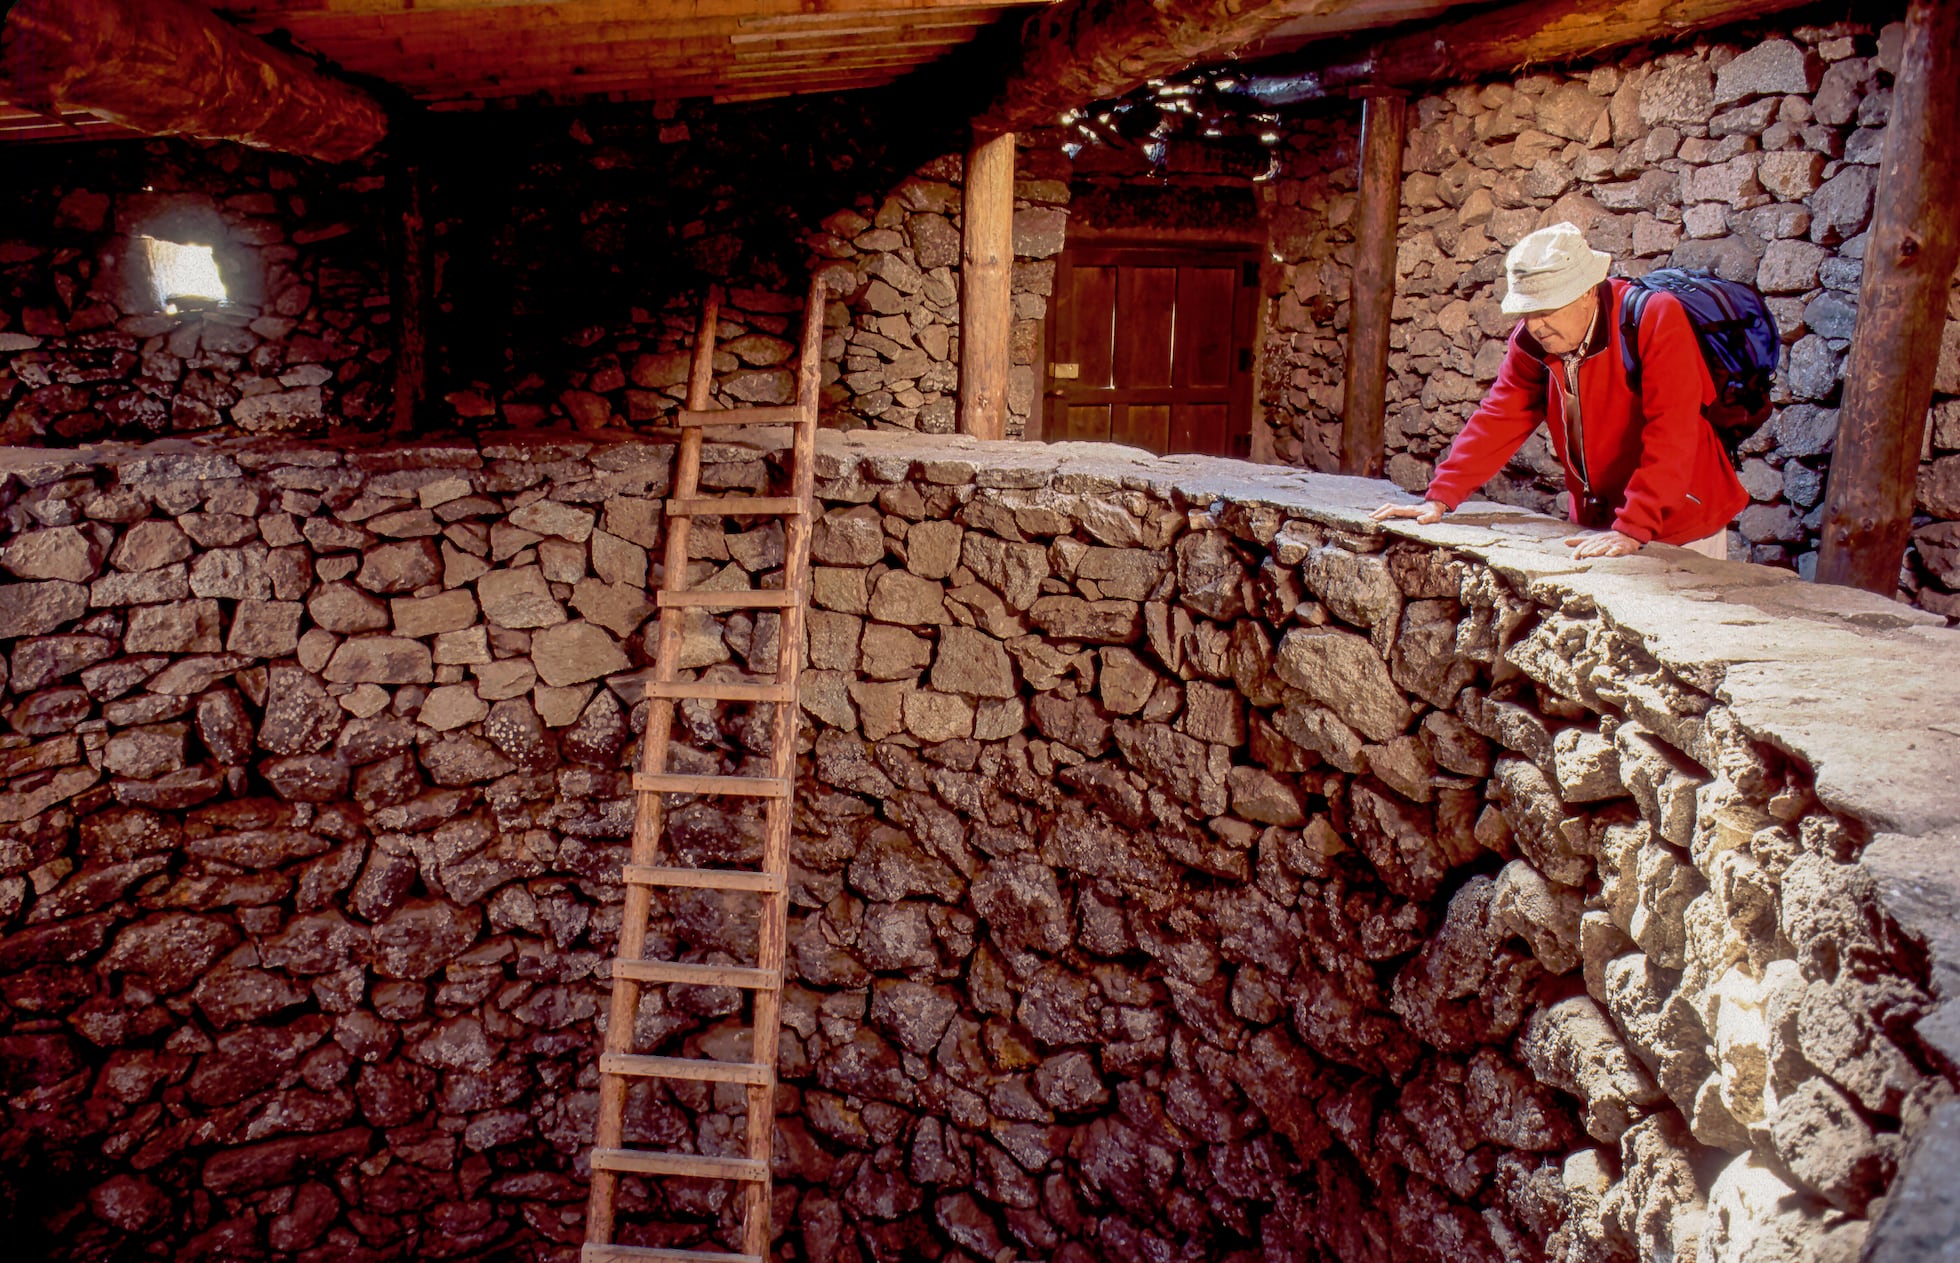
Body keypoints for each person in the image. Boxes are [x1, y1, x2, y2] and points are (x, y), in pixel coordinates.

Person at [1371, 222, 1746, 560]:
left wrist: (1634, 525)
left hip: (1681, 522)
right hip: (1603, 523)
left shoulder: (1655, 318)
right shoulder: (1533, 340)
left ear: (1587, 293)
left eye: (1546, 309)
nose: (1535, 325)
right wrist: (1441, 496)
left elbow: (1674, 431)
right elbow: (1501, 415)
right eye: (1526, 312)